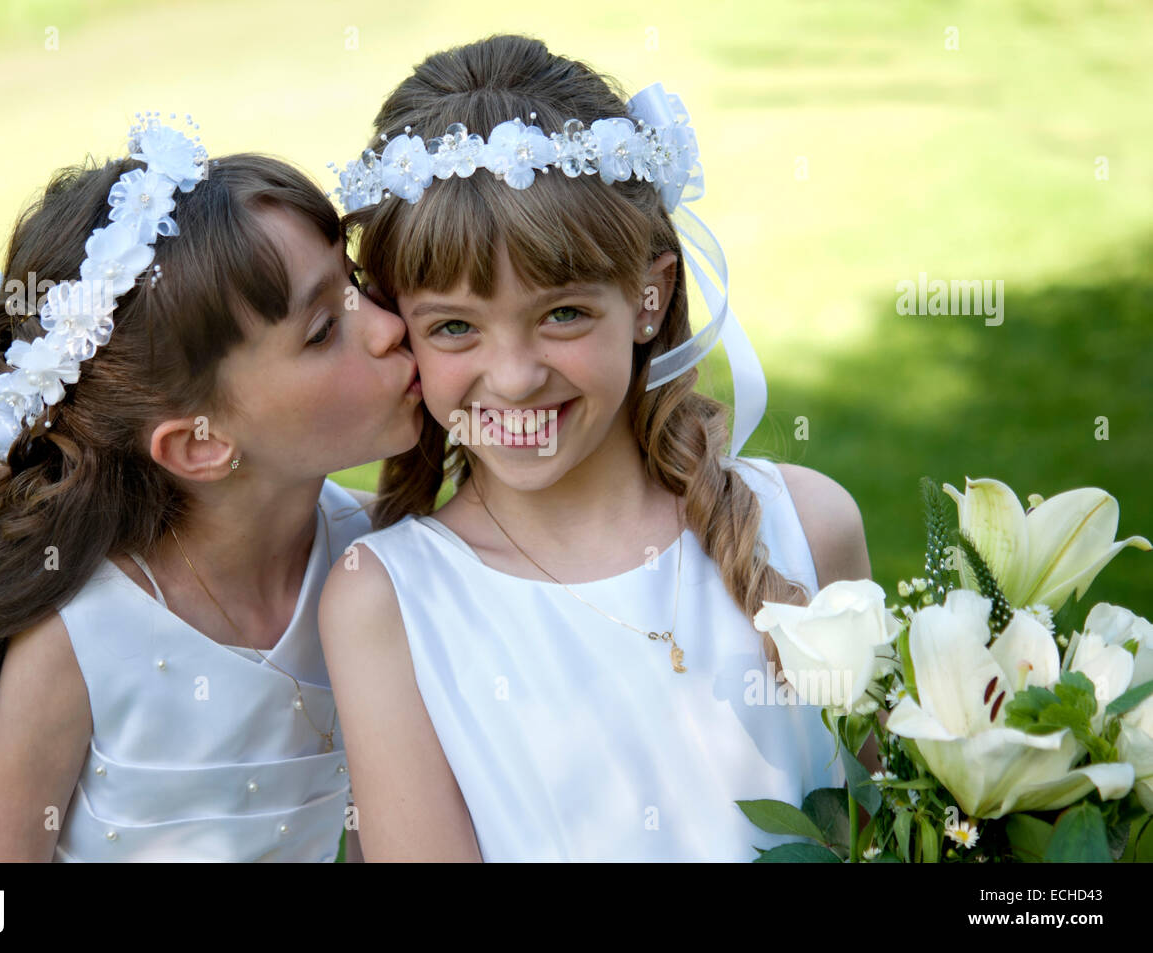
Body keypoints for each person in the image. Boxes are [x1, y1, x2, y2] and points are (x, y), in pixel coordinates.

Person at [319, 35, 872, 861]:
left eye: (563, 314)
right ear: (403, 328)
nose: (512, 378)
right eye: (455, 327)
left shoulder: (808, 524)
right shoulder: (388, 603)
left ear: (651, 297)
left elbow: (898, 831)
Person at [0, 114, 420, 862]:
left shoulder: (376, 558)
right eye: (322, 330)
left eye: (349, 283)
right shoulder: (79, 635)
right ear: (200, 442)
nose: (383, 325)